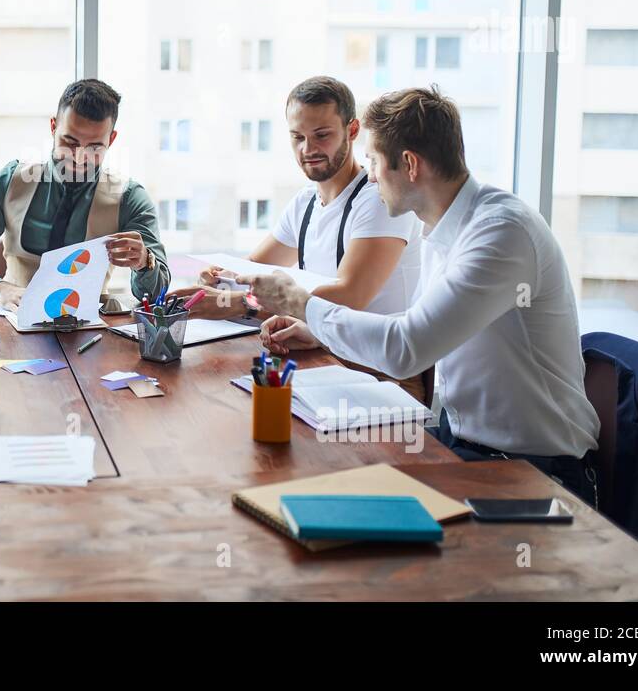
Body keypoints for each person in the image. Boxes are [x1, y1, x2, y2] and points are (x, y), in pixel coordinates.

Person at [240, 86, 600, 504]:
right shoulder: (443, 228)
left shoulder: (501, 234)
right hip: (466, 446)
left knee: (338, 505)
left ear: (409, 164)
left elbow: (407, 349)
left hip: (537, 472)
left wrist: (300, 303)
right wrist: (318, 331)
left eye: (373, 161)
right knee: (312, 485)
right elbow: (413, 327)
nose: (369, 176)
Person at [170, 76, 424, 399]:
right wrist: (220, 280)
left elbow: (350, 296)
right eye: (297, 137)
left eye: (321, 136)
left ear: (352, 130)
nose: (308, 149)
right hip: (326, 358)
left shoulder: (378, 198)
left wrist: (229, 303)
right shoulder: (305, 203)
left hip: (382, 376)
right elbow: (252, 271)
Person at [0, 79, 170, 308]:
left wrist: (144, 262)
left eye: (94, 147)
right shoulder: (9, 181)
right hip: (12, 321)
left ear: (111, 140)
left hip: (91, 329)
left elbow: (156, 294)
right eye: (69, 142)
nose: (79, 157)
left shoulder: (130, 198)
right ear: (53, 127)